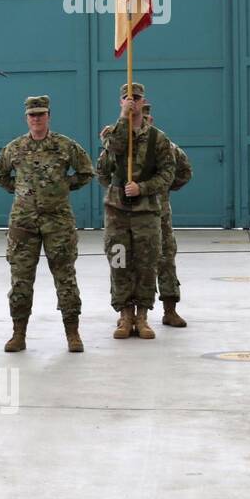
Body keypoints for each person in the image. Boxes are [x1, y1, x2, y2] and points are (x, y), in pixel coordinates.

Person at [0, 96, 95, 352]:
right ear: (26, 118)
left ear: (49, 116)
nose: (36, 119)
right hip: (23, 223)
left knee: (65, 278)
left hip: (57, 221)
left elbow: (86, 172)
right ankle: (18, 333)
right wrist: (19, 191)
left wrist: (63, 186)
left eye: (41, 114)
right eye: (32, 115)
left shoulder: (65, 146)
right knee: (20, 280)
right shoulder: (14, 148)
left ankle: (73, 333)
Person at [97, 82, 176, 340]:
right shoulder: (114, 134)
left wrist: (142, 187)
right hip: (117, 213)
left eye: (137, 98)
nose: (132, 101)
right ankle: (124, 314)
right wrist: (123, 119)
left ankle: (142, 315)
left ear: (144, 101)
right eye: (127, 98)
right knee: (119, 261)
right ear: (121, 102)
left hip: (146, 213)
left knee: (146, 263)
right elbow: (109, 159)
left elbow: (168, 174)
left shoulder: (158, 139)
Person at [144, 102, 194, 328]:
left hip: (159, 213)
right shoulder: (123, 146)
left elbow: (185, 171)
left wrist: (164, 188)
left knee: (166, 260)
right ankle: (131, 312)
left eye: (146, 118)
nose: (142, 121)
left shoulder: (166, 146)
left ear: (151, 120)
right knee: (132, 265)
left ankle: (170, 309)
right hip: (131, 215)